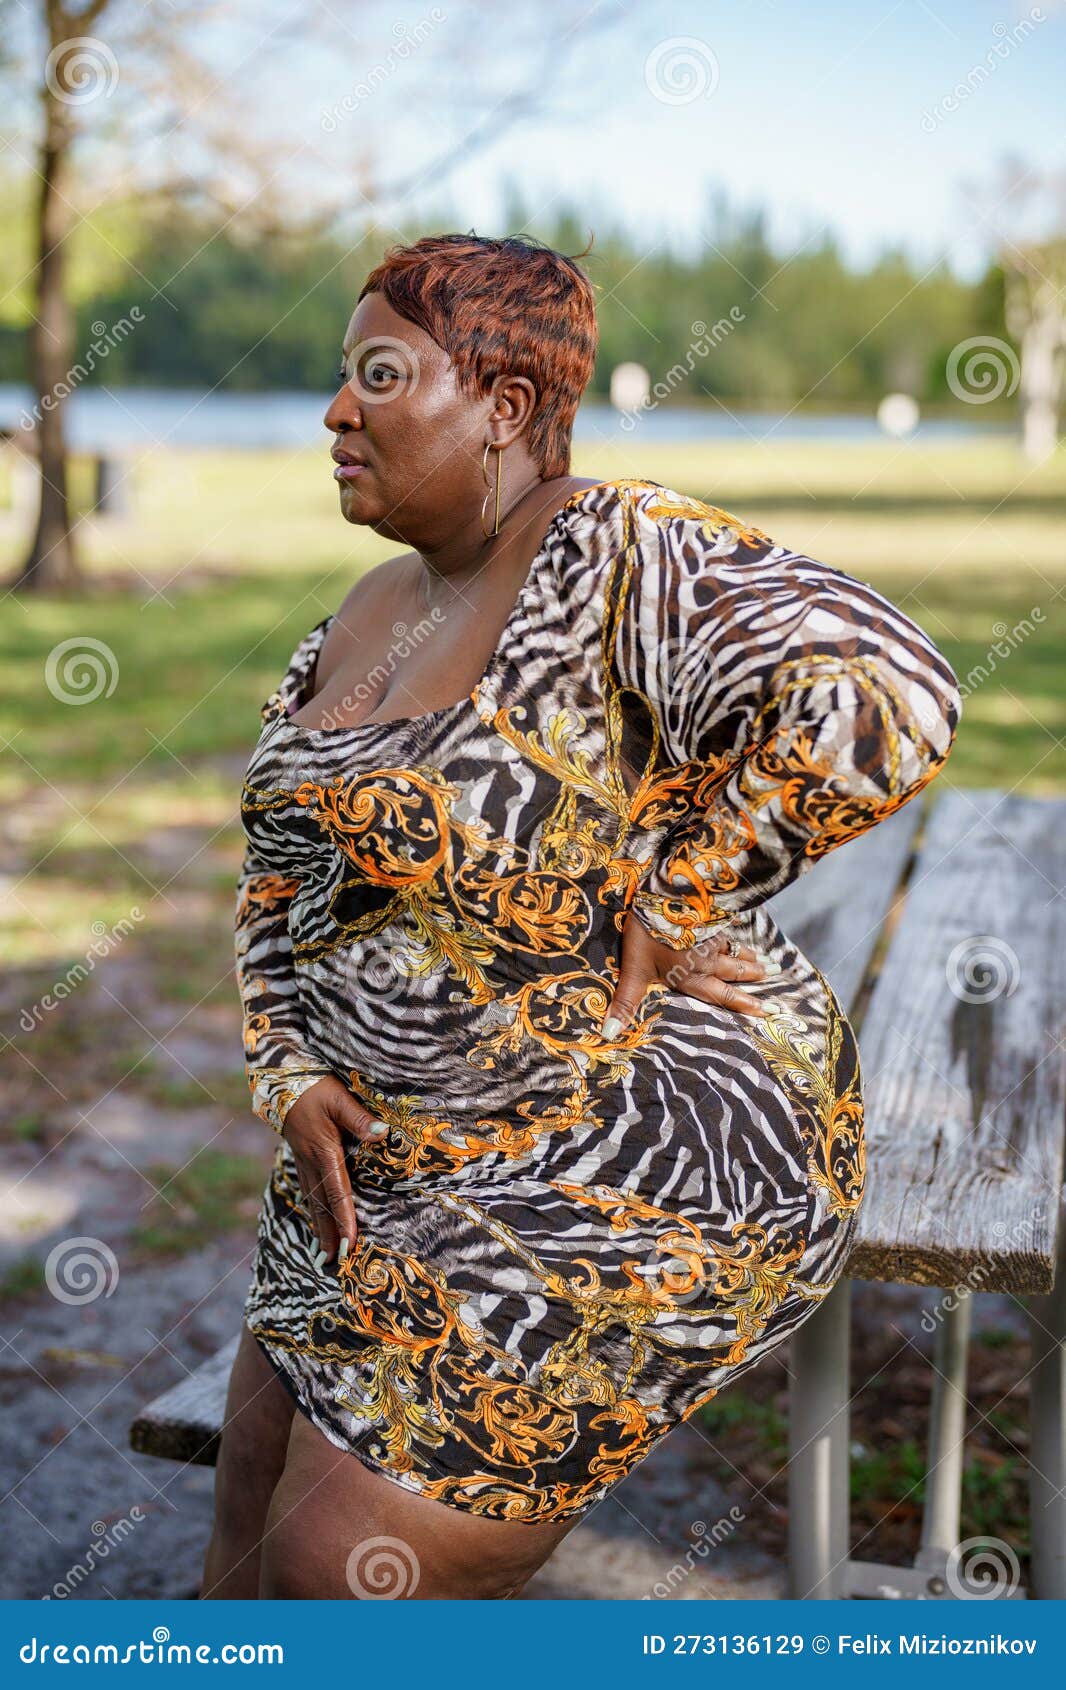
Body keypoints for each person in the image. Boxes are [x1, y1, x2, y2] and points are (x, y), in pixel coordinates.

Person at [201, 233, 961, 1600]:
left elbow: (891, 689)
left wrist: (679, 891)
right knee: (244, 1495)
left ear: (503, 405)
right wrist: (290, 1067)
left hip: (622, 1150)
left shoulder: (614, 550)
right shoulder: (374, 601)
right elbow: (282, 875)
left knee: (338, 1560)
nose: (334, 411)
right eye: (341, 374)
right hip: (394, 1157)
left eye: (379, 375)